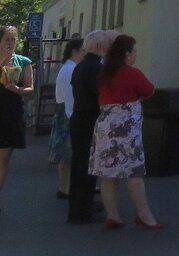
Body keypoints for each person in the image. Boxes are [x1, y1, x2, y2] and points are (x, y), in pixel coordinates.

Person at [90, 34, 162, 228]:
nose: (136, 54)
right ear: (128, 54)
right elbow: (149, 90)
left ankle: (112, 215)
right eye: (134, 51)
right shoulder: (131, 73)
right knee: (134, 174)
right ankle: (144, 215)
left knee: (108, 175)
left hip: (105, 127)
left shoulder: (105, 73)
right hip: (126, 129)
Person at [67, 30, 110, 225]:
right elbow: (100, 94)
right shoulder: (96, 68)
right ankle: (82, 211)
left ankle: (78, 207)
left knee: (79, 166)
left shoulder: (80, 66)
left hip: (79, 118)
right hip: (90, 119)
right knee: (87, 167)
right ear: (101, 47)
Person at [0, 24, 33, 210]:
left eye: (14, 39)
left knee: (3, 158)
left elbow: (30, 88)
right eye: (7, 40)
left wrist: (16, 89)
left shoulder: (24, 61)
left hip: (11, 112)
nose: (11, 43)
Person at [50, 36, 85, 200]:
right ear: (75, 51)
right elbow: (71, 97)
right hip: (68, 113)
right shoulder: (70, 69)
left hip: (65, 112)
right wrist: (74, 117)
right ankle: (66, 188)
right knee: (68, 155)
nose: (85, 53)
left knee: (66, 156)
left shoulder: (68, 68)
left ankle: (65, 187)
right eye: (83, 50)